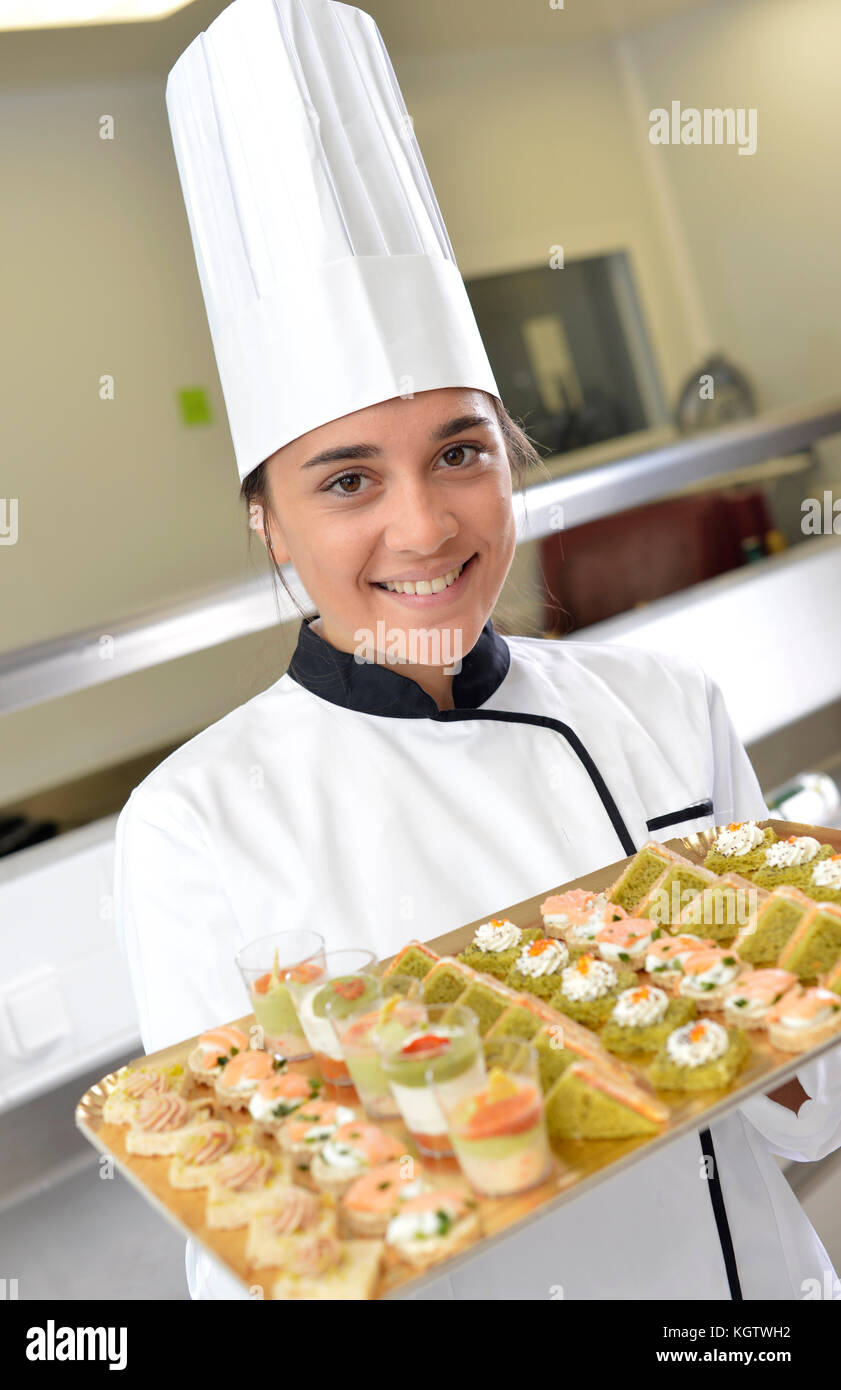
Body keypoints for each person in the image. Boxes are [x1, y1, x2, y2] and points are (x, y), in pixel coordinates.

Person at [114, 0, 841, 1300]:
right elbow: (246, 1250)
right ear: (267, 519)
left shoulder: (667, 708)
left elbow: (811, 1113)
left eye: (459, 450)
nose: (423, 523)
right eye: (346, 480)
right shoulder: (197, 827)